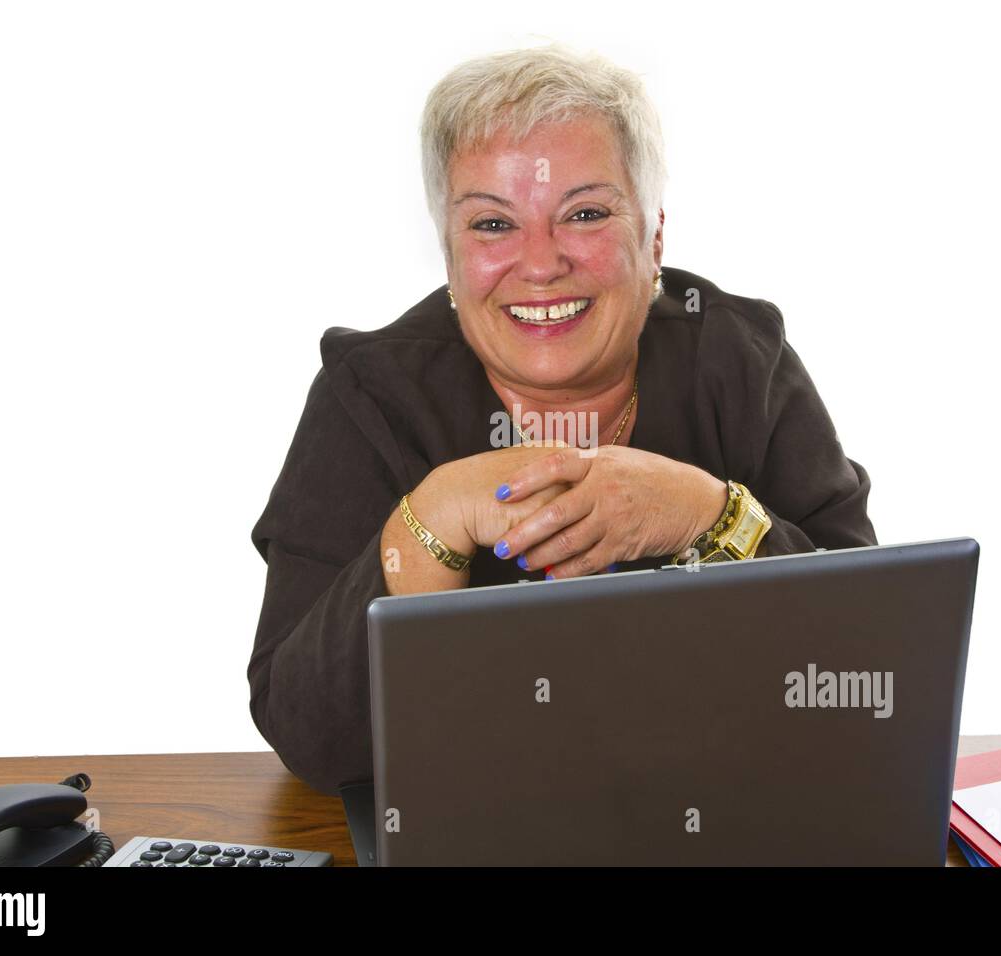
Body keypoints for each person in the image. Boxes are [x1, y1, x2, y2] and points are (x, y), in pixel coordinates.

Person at [248, 45, 877, 795]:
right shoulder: (371, 394)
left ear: (654, 239)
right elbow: (309, 735)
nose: (541, 265)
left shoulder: (739, 359)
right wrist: (433, 519)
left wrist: (710, 515)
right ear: (448, 252)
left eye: (584, 213)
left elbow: (870, 681)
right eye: (491, 224)